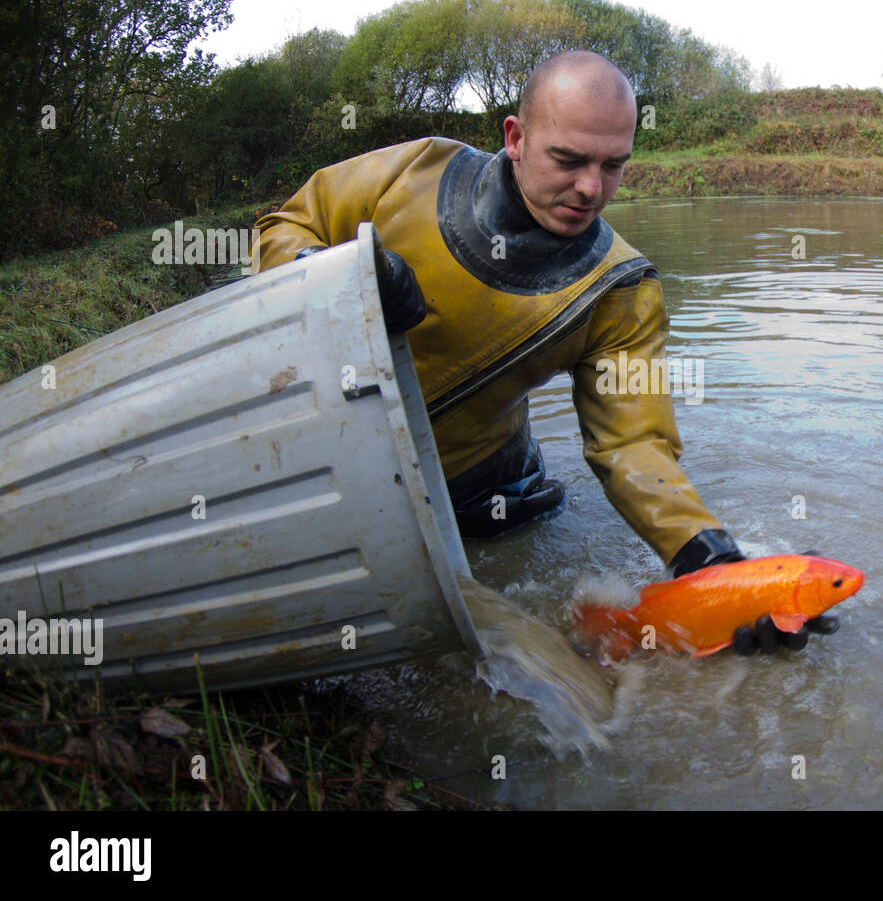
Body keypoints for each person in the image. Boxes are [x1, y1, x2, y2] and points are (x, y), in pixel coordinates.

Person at [254, 50, 835, 654]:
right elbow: (282, 230)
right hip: (322, 452)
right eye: (568, 160)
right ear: (516, 137)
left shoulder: (621, 290)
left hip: (490, 496)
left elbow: (631, 442)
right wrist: (341, 276)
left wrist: (713, 564)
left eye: (614, 165)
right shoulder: (411, 173)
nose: (591, 188)